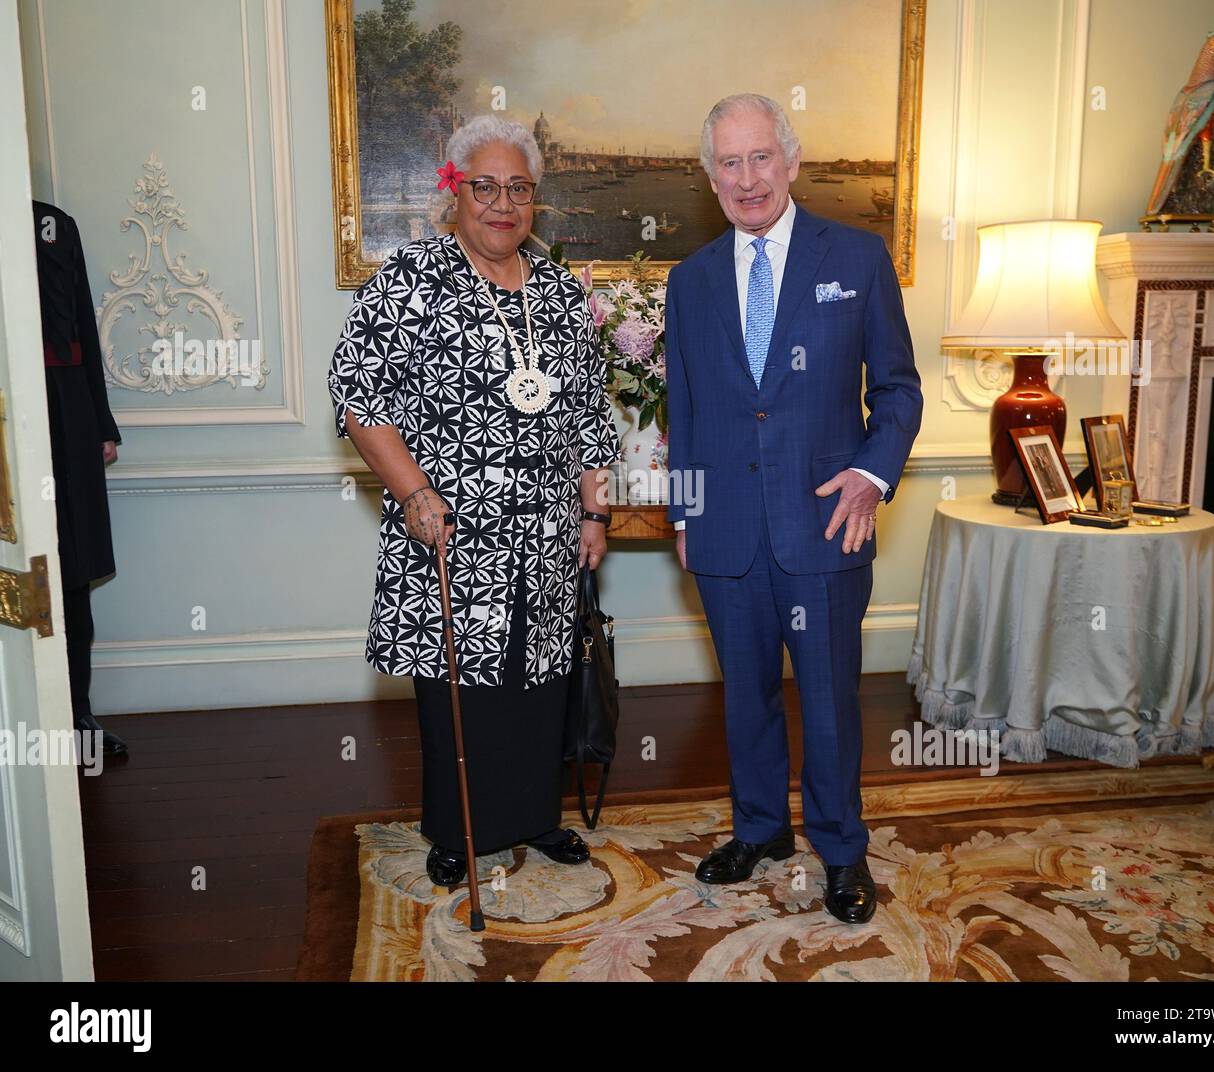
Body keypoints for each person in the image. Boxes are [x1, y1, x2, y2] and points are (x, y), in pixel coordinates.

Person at [328, 115, 622, 887]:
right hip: (452, 534)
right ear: (454, 191)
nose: (503, 204)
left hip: (549, 537)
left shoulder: (558, 289)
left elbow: (590, 413)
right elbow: (360, 397)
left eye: (519, 188)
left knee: (542, 681)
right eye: (485, 186)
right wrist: (414, 491)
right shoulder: (411, 279)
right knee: (463, 685)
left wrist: (595, 511)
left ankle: (535, 817)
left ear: (535, 200)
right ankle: (458, 828)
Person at [665, 94, 923, 924]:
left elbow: (898, 390)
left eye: (760, 158)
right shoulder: (691, 279)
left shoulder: (856, 256)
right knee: (745, 694)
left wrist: (871, 475)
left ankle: (843, 849)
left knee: (830, 697)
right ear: (710, 179)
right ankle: (761, 830)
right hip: (727, 530)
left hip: (825, 523)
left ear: (792, 161)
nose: (747, 179)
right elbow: (687, 406)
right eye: (729, 164)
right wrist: (682, 513)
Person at [33, 201, 126, 758]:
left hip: (67, 409)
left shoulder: (54, 224)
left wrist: (100, 421)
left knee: (71, 570)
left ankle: (76, 717)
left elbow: (83, 330)